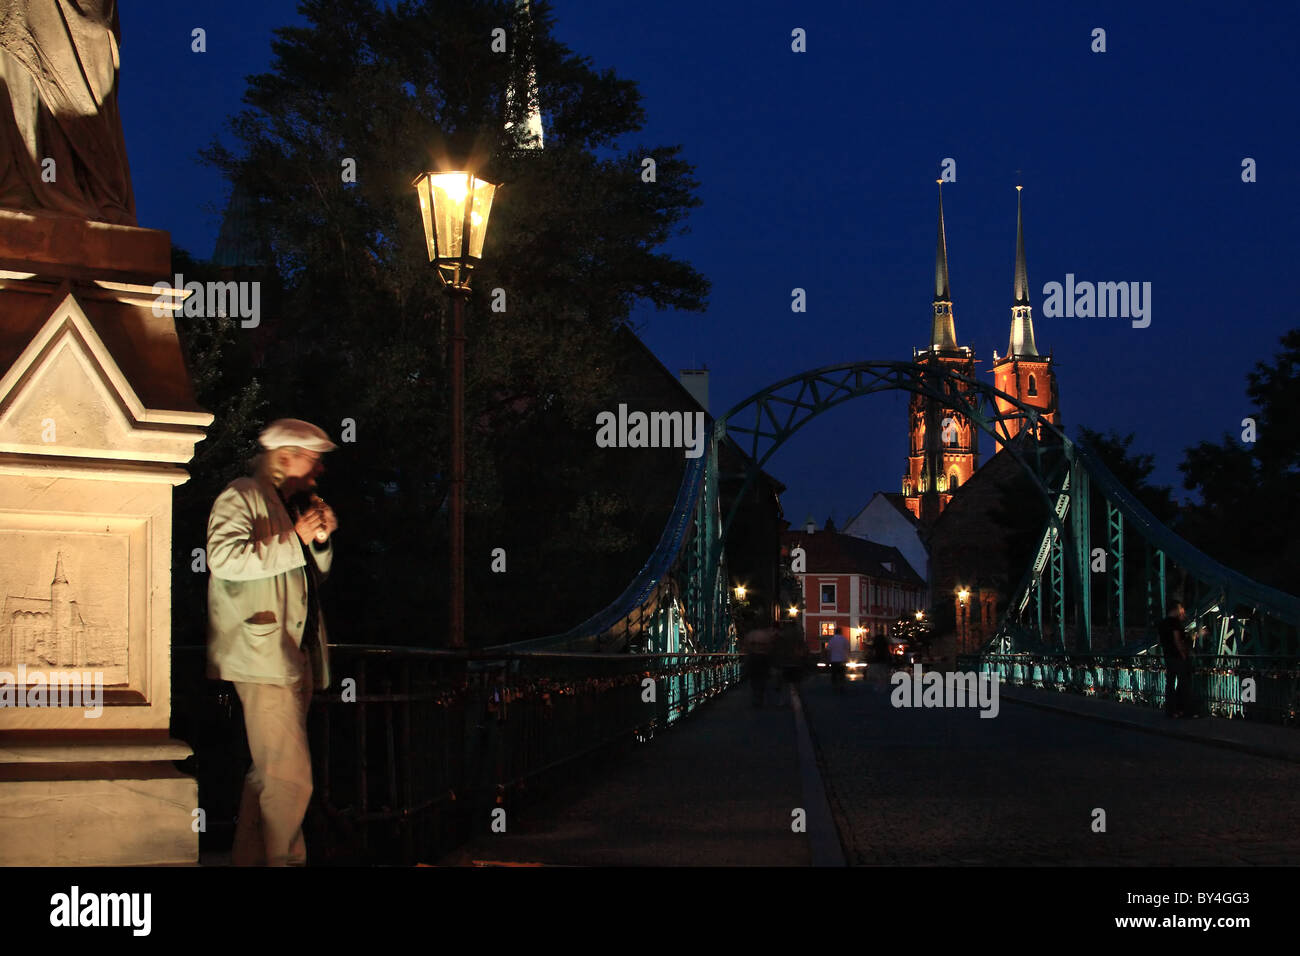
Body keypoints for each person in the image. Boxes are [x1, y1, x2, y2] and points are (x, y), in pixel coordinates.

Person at [206, 419, 339, 866]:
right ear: (284, 457)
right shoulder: (241, 494)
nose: (317, 473)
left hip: (285, 658)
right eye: (312, 462)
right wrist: (296, 538)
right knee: (289, 778)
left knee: (268, 775)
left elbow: (304, 578)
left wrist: (317, 543)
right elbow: (223, 559)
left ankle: (249, 859)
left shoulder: (282, 503)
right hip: (262, 659)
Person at [1156, 601, 1196, 719]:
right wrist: (1183, 653)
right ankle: (1187, 710)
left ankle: (1170, 711)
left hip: (1168, 656)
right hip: (1177, 657)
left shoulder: (1162, 623)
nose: (1182, 610)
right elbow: (1177, 640)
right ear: (1176, 609)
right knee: (1184, 684)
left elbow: (1159, 641)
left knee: (1170, 684)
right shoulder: (1175, 623)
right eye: (1181, 608)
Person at [741, 625, 775, 708]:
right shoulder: (766, 635)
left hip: (753, 657)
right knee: (762, 679)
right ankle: (760, 698)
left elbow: (746, 646)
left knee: (754, 679)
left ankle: (756, 698)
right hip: (763, 658)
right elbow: (770, 647)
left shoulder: (751, 634)